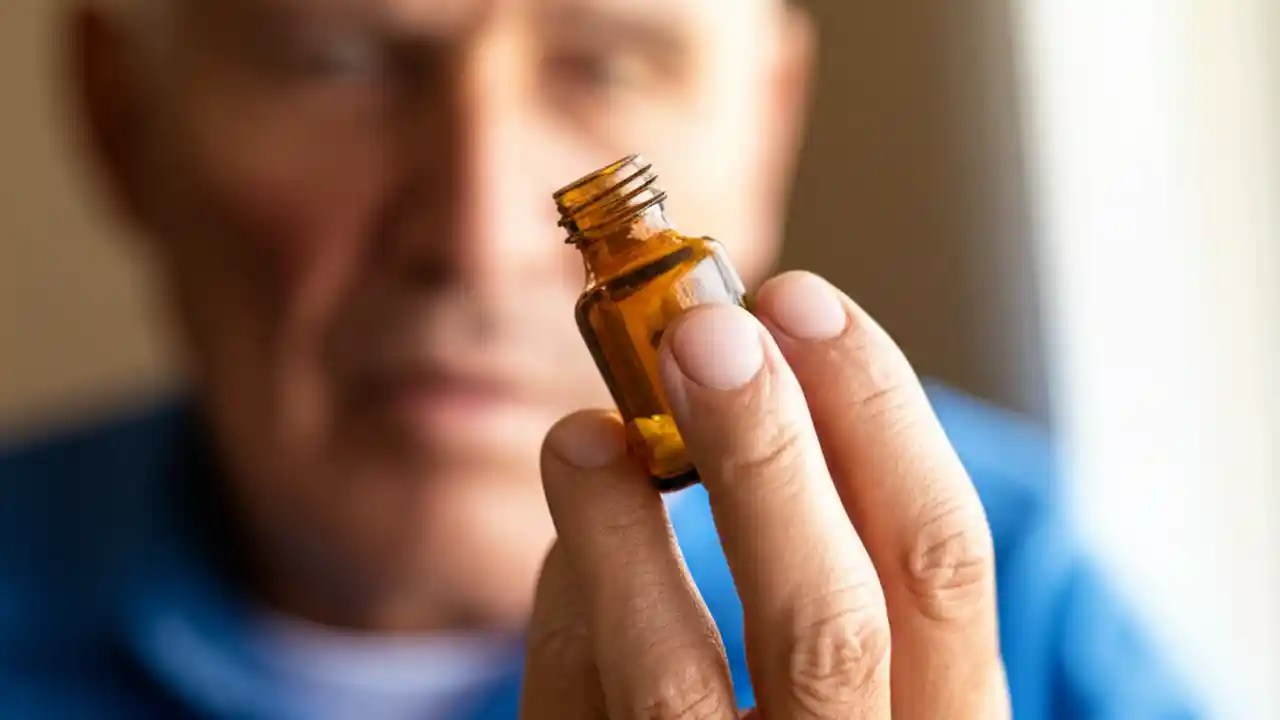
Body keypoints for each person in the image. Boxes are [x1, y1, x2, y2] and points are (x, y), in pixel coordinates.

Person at [0, 0, 1199, 717]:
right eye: (340, 55)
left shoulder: (995, 594)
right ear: (120, 114)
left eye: (609, 61)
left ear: (769, 122)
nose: (477, 235)